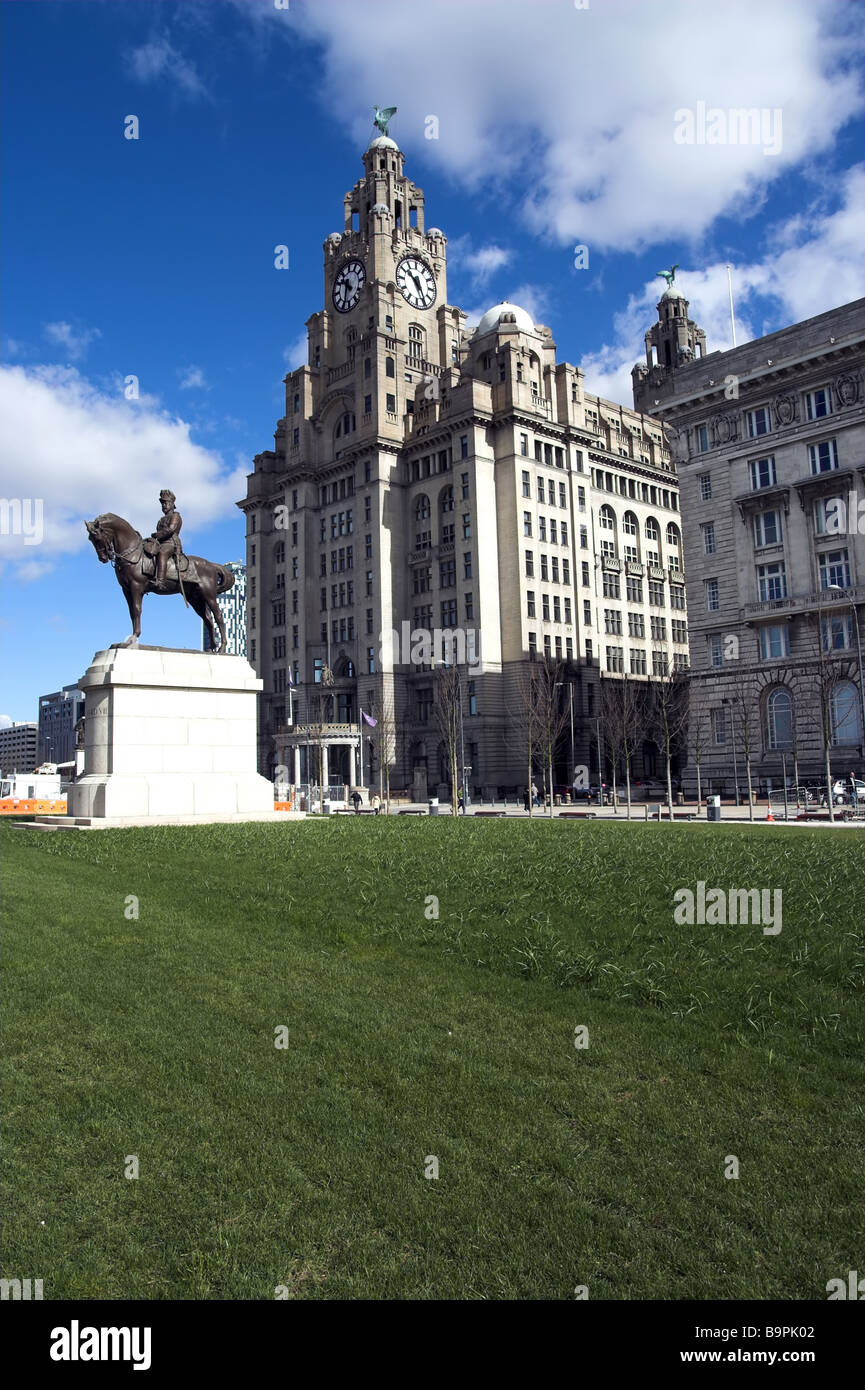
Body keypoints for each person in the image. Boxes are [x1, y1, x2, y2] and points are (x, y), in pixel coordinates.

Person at [150, 489, 183, 585]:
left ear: (172, 504)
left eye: (166, 503)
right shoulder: (160, 520)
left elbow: (170, 530)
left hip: (171, 543)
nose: (163, 505)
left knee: (162, 552)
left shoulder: (175, 516)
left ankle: (160, 581)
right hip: (161, 543)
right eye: (162, 504)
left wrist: (157, 535)